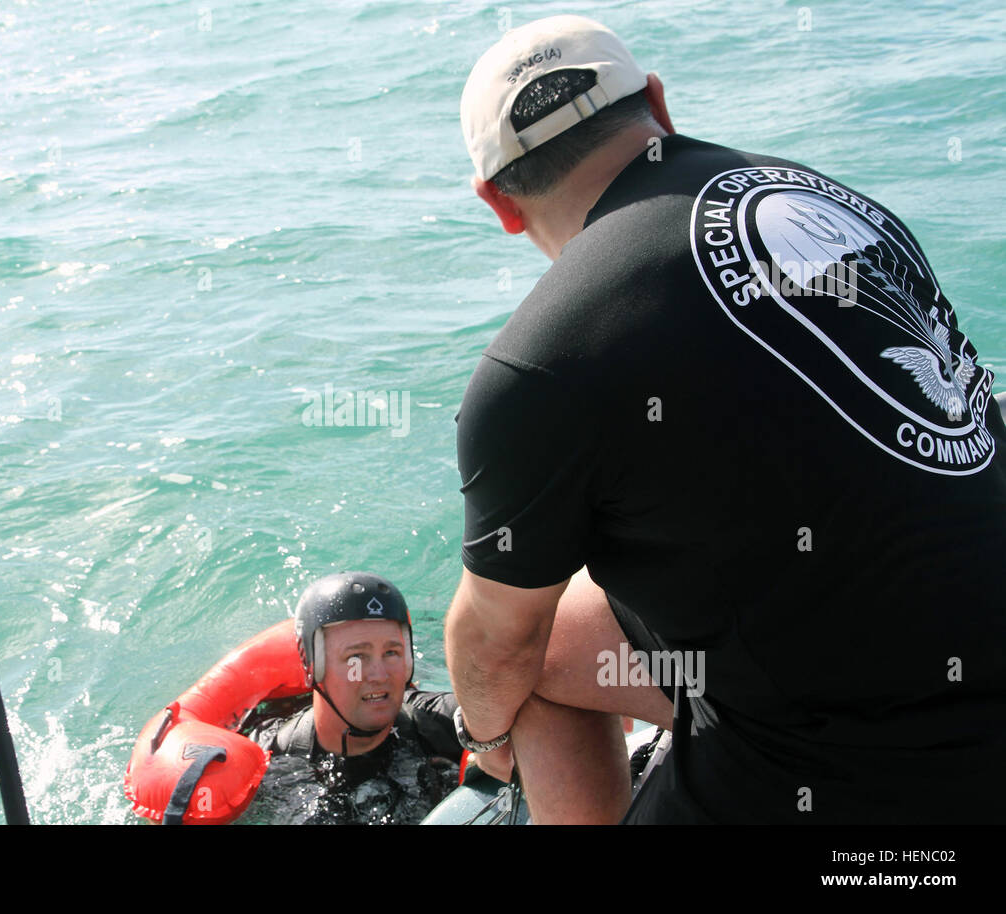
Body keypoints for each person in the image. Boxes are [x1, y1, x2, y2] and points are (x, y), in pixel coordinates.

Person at [444, 14, 1006, 824]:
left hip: (859, 775)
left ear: (497, 201)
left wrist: (483, 735)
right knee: (558, 644)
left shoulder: (537, 362)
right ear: (659, 108)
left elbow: (497, 646)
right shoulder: (837, 203)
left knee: (510, 665)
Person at [244, 571, 479, 825]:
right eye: (356, 657)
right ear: (313, 665)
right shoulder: (267, 762)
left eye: (391, 652)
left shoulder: (440, 724)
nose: (379, 675)